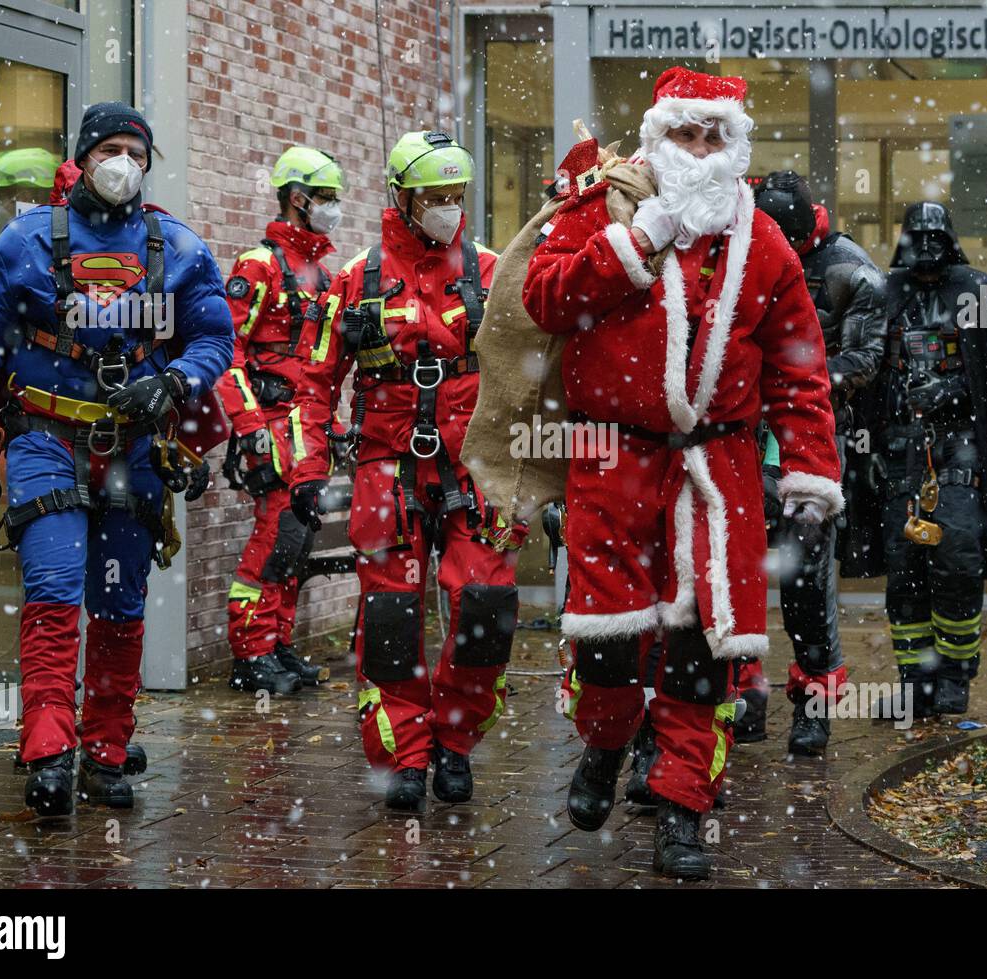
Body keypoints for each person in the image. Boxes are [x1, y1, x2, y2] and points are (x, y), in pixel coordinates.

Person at [522, 68, 843, 879]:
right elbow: (545, 298)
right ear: (658, 138)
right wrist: (641, 238)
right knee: (606, 642)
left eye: (715, 137)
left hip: (719, 466)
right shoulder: (606, 208)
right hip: (610, 457)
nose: (700, 151)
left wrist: (810, 476)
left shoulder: (764, 241)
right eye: (686, 135)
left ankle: (683, 810)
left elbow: (801, 367)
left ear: (734, 147)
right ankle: (605, 739)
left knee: (704, 650)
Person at [0, 102, 232, 815]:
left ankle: (104, 749)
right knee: (54, 586)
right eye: (110, 148)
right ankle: (47, 748)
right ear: (83, 155)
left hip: (133, 447)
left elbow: (213, 340)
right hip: (44, 435)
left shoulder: (178, 249)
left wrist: (175, 381)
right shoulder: (25, 241)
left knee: (121, 601)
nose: (123, 163)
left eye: (136, 149)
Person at [287, 131, 526, 812]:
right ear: (401, 195)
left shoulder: (490, 271)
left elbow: (533, 379)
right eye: (434, 197)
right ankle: (404, 756)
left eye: (457, 196)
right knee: (392, 621)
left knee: (485, 606)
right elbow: (313, 382)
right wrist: (305, 471)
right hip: (385, 469)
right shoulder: (355, 280)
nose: (448, 209)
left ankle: (454, 741)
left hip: (476, 470)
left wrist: (539, 475)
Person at [841, 202, 987, 717]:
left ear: (948, 237)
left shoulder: (977, 290)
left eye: (934, 235)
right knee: (904, 570)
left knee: (957, 561)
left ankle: (954, 676)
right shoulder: (888, 292)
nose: (926, 246)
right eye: (917, 235)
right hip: (899, 450)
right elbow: (867, 367)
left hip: (961, 449)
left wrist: (950, 389)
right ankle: (916, 682)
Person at [727, 170, 887, 755]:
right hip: (741, 433)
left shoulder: (852, 270)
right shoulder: (736, 249)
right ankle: (742, 695)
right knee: (735, 564)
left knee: (805, 574)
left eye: (791, 247)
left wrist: (801, 383)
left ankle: (814, 703)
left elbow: (867, 358)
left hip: (810, 435)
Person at [216, 146, 345, 695]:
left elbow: (322, 364)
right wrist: (251, 429)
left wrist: (332, 427)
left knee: (296, 539)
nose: (334, 208)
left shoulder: (322, 273)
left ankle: (276, 642)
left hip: (309, 429)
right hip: (271, 427)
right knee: (272, 538)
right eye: (327, 198)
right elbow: (228, 353)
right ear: (299, 199)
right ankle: (250, 653)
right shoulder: (260, 265)